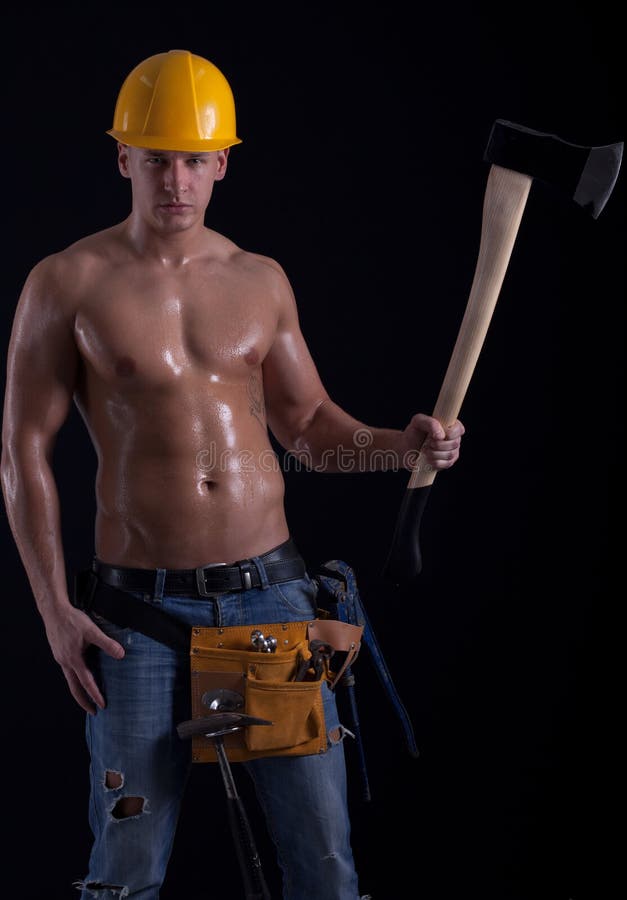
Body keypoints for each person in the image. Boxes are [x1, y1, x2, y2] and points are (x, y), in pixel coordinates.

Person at [1, 49, 464, 899]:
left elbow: (311, 428)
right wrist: (51, 609)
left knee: (323, 867)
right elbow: (21, 452)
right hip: (133, 616)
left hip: (271, 602)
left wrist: (403, 446)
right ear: (123, 160)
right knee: (125, 872)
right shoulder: (65, 282)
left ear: (221, 163)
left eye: (191, 159)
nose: (173, 180)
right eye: (155, 159)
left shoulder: (261, 281)